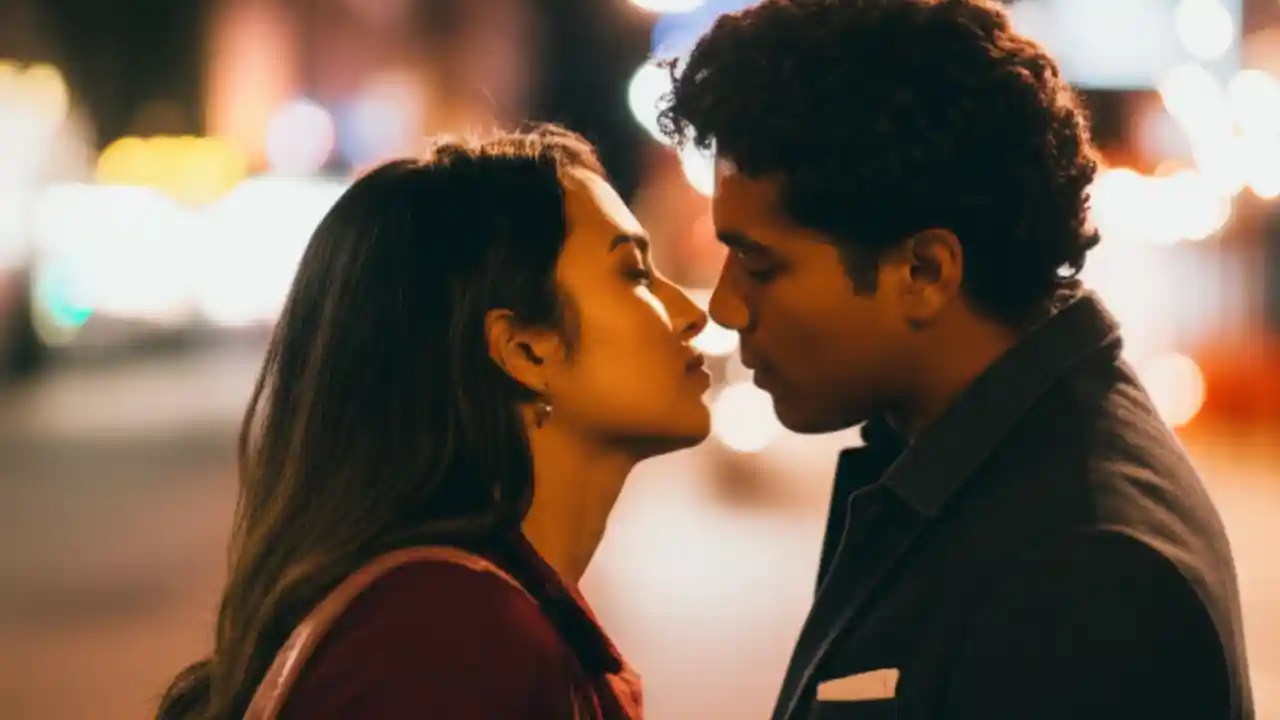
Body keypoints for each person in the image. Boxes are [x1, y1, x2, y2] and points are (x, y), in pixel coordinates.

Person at [659, 1, 1254, 718]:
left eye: (761, 265)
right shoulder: (962, 465)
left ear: (924, 271)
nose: (724, 306)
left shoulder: (1084, 572)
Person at [157, 125, 711, 719]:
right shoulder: (448, 642)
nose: (692, 313)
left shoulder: (468, 616)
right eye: (634, 274)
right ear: (525, 351)